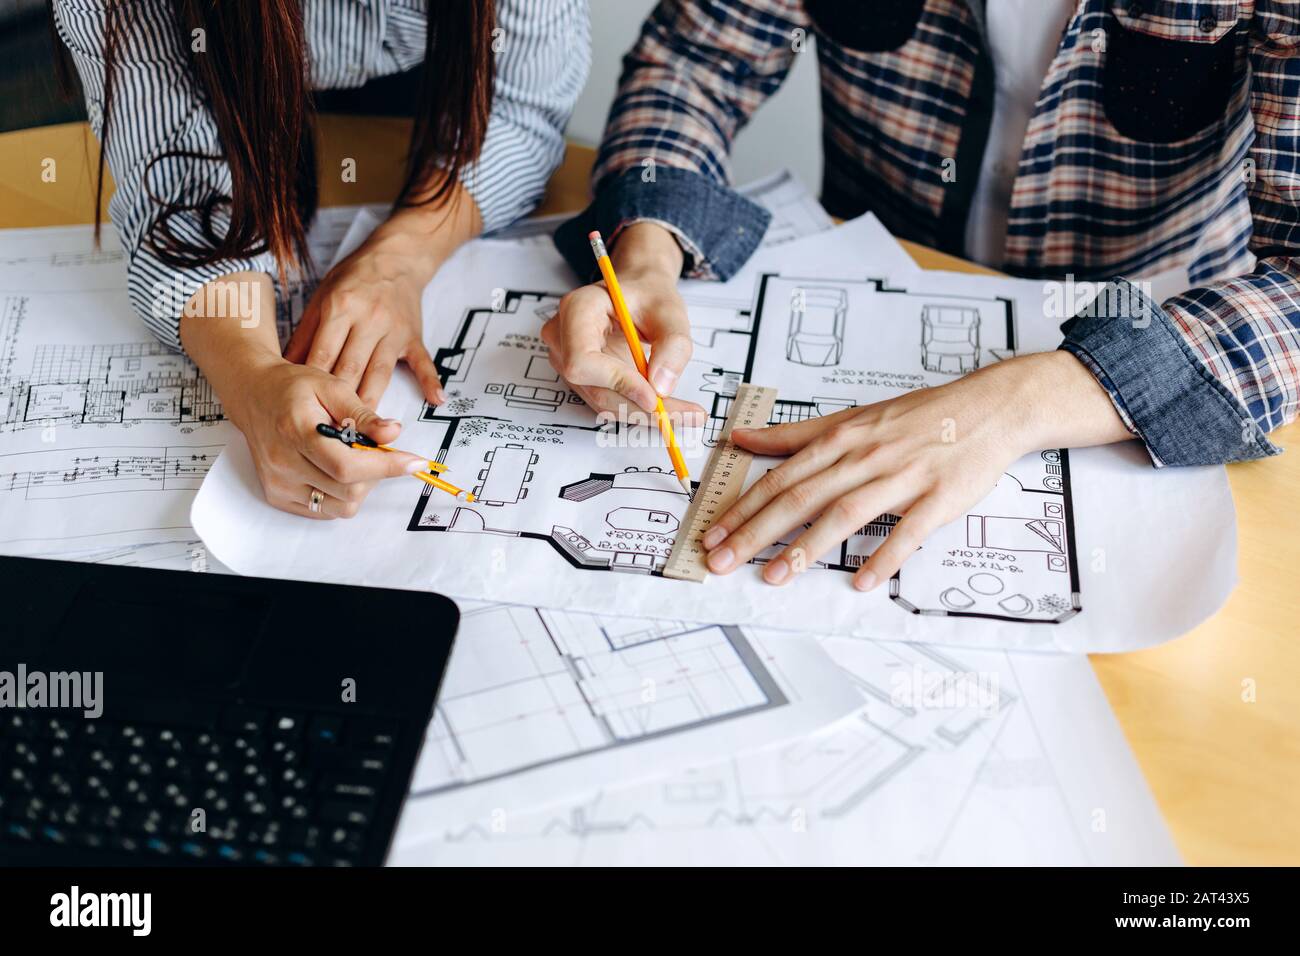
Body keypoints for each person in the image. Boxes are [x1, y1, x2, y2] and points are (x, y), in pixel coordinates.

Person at [546, 0, 1299, 591]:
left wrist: (1019, 401)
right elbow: (697, 63)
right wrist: (646, 247)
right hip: (869, 272)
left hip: (1153, 343)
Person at [51, 0, 589, 518]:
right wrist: (253, 376)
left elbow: (518, 110)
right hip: (215, 77)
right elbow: (180, 188)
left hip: (425, 96)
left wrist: (397, 259)